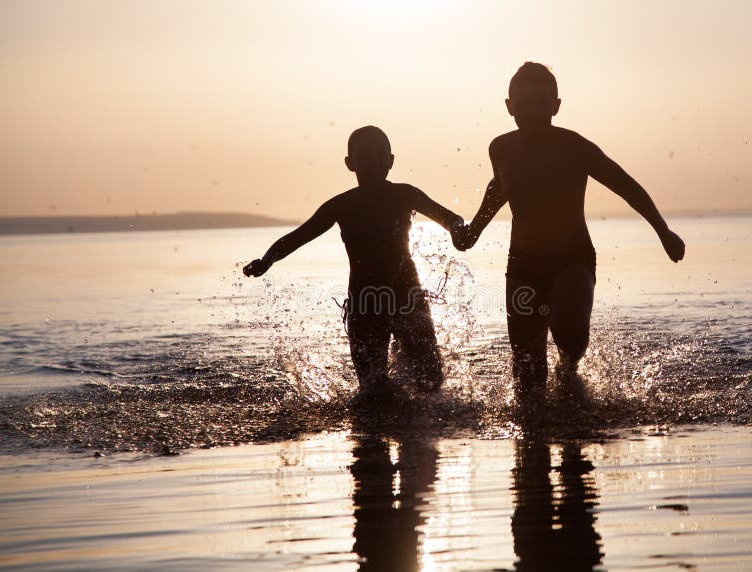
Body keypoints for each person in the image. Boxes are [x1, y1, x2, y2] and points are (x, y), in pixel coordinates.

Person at [453, 62, 685, 405]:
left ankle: (568, 369)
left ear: (556, 106)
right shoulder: (500, 148)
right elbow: (500, 187)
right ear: (509, 107)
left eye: (540, 103)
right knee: (527, 371)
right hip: (523, 265)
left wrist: (663, 231)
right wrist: (473, 229)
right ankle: (532, 444)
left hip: (572, 259)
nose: (531, 111)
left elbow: (624, 184)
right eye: (523, 103)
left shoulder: (574, 146)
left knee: (569, 333)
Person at [243, 126, 464, 401]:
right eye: (364, 157)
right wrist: (267, 260)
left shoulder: (405, 194)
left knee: (430, 380)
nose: (373, 163)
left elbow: (450, 218)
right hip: (364, 304)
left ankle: (417, 430)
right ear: (350, 163)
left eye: (379, 156)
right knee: (372, 390)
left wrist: (458, 230)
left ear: (391, 160)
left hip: (408, 297)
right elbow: (299, 236)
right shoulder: (342, 205)